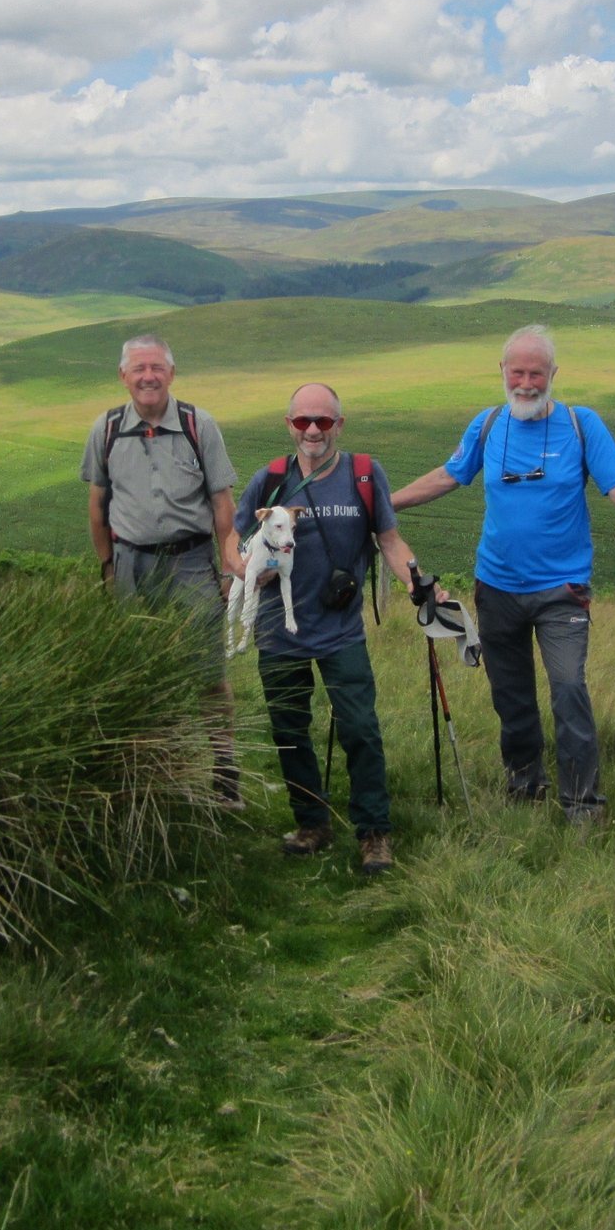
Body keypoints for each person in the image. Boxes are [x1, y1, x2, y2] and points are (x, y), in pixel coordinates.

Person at [391, 324, 615, 826]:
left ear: (553, 375)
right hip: (496, 587)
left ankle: (582, 804)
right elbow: (447, 476)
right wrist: (382, 507)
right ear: (502, 372)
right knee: (511, 693)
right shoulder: (488, 424)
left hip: (561, 591)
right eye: (517, 372)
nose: (526, 382)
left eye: (536, 373)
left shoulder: (580, 424)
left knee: (568, 689)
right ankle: (525, 785)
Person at [233, 383, 436, 874]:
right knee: (288, 731)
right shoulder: (271, 479)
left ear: (339, 425)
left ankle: (374, 833)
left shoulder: (364, 475)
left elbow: (388, 539)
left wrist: (420, 583)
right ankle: (311, 823)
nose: (312, 430)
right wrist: (243, 573)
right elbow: (233, 534)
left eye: (323, 421)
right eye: (302, 421)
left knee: (361, 730)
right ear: (289, 425)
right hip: (278, 632)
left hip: (341, 631)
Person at [81, 335, 246, 805]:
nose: (148, 376)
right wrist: (108, 569)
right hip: (131, 564)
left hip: (193, 563)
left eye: (156, 367)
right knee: (138, 669)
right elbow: (96, 507)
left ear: (171, 374)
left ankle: (225, 767)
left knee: (208, 672)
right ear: (123, 377)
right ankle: (152, 769)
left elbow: (222, 502)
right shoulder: (106, 429)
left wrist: (230, 565)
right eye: (138, 368)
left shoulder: (200, 425)